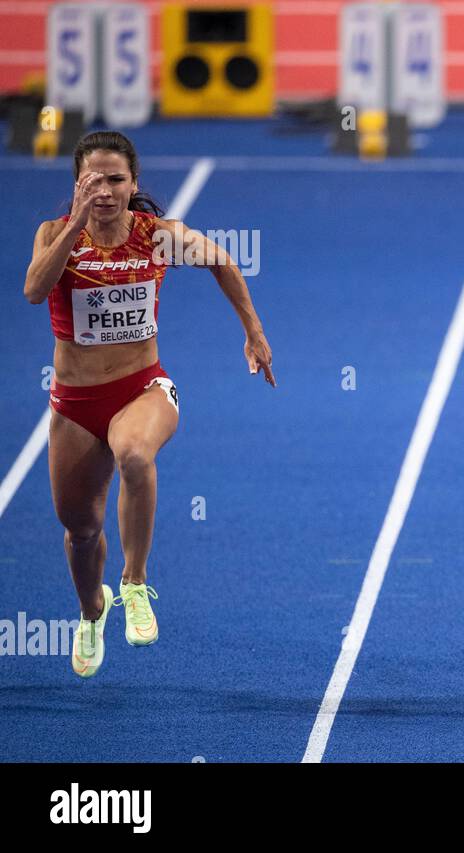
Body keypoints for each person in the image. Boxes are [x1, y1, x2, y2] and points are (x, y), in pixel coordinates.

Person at [23, 131, 275, 677]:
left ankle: (134, 583)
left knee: (135, 454)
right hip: (74, 402)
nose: (107, 191)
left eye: (117, 180)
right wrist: (74, 225)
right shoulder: (54, 232)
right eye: (94, 181)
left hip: (142, 388)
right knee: (79, 528)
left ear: (134, 183)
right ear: (78, 185)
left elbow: (223, 262)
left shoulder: (158, 237)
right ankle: (92, 611)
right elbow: (34, 290)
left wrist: (253, 332)